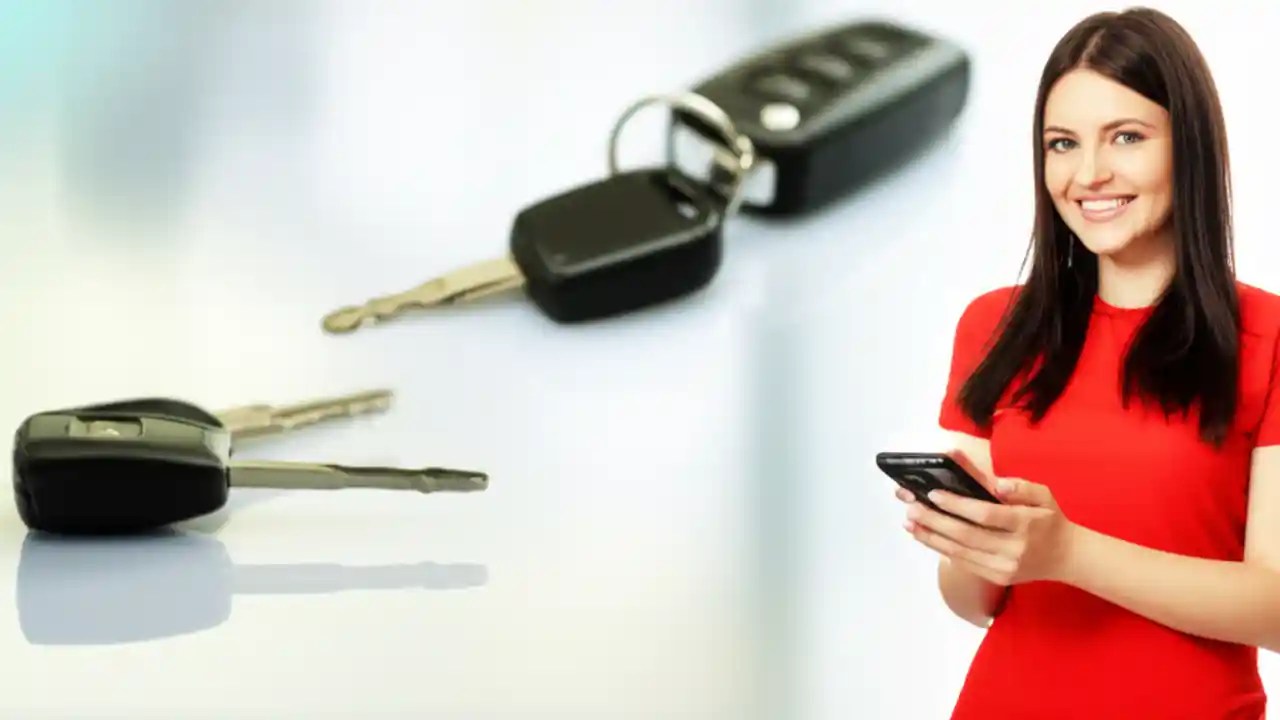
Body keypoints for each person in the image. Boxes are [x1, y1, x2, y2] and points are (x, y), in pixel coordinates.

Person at [895, 7, 1280, 720]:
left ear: (1189, 145)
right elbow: (973, 604)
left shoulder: (1271, 336)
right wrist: (973, 542)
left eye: (1126, 137)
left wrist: (1069, 554)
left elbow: (1277, 609)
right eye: (1062, 144)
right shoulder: (995, 326)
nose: (1089, 174)